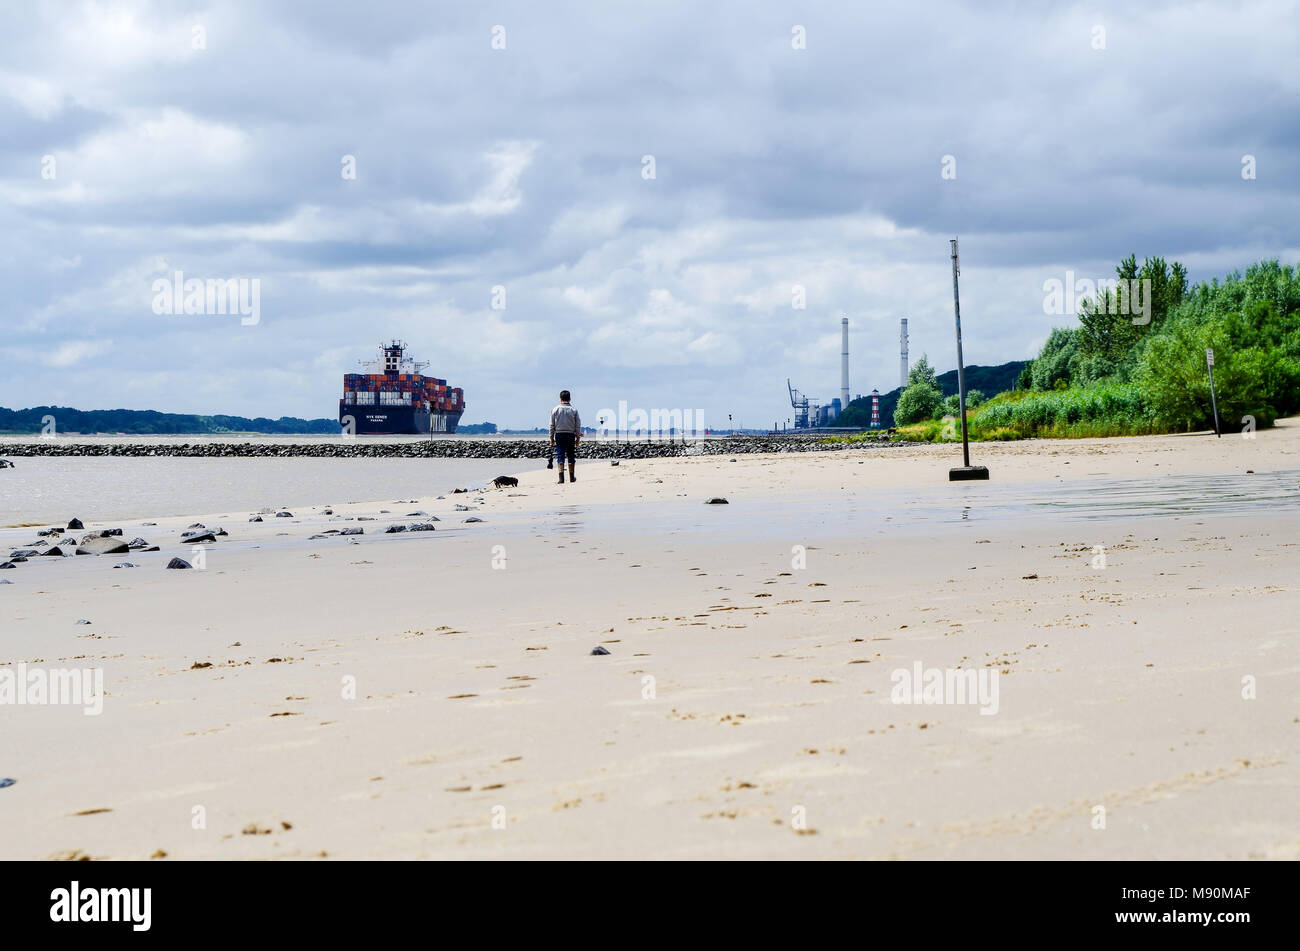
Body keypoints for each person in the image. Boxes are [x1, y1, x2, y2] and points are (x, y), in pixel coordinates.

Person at [549, 389, 581, 484]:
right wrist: (578, 438)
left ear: (560, 399)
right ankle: (571, 477)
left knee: (560, 455)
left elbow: (551, 426)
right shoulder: (574, 410)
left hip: (559, 434)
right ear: (570, 399)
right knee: (571, 455)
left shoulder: (555, 409)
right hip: (570, 434)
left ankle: (561, 478)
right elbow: (577, 426)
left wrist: (551, 438)